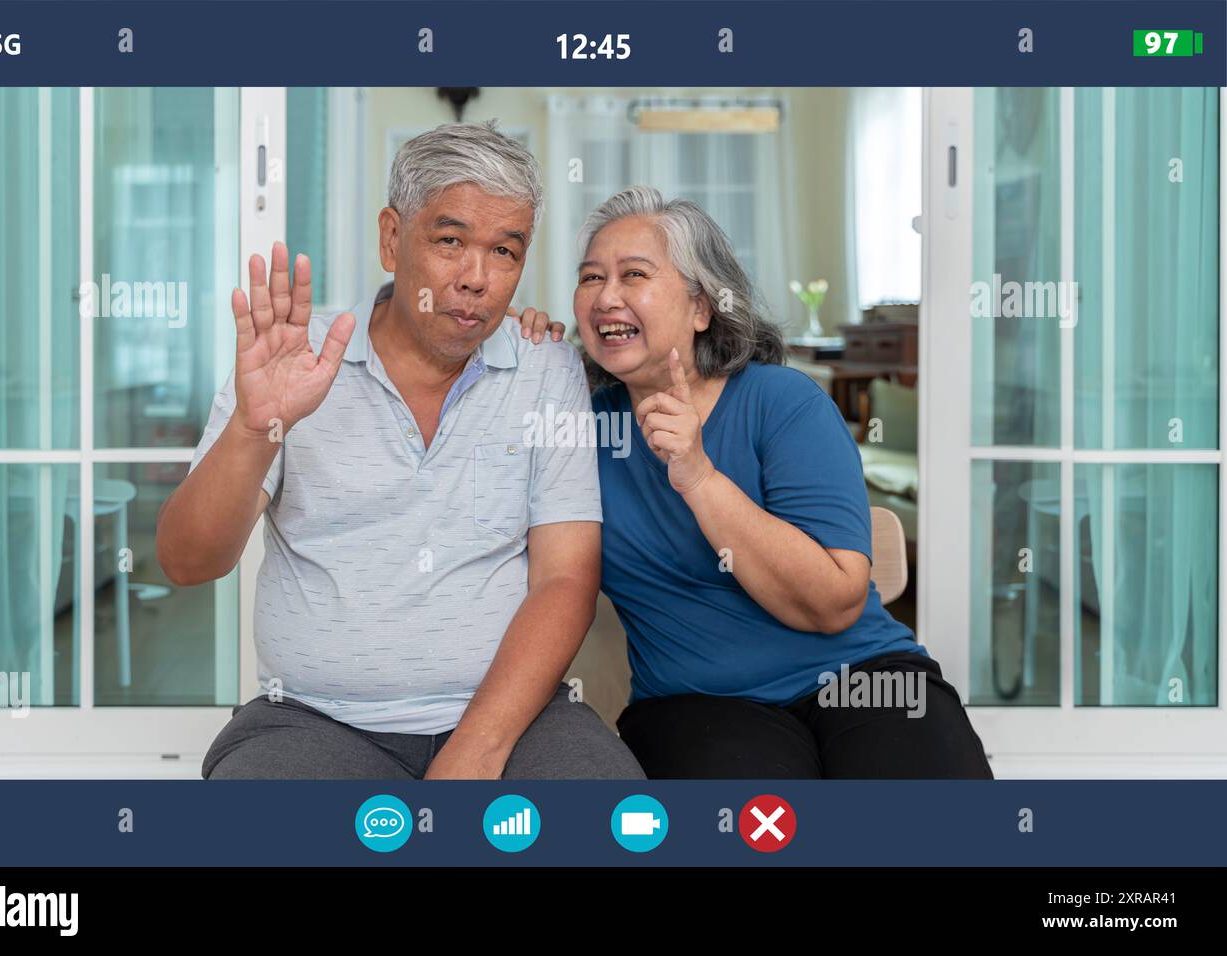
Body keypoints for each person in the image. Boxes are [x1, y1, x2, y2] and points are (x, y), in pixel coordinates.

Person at [156, 121, 643, 781]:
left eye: (506, 251)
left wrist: (477, 748)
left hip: (514, 715)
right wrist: (253, 428)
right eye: (450, 241)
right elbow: (188, 562)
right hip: (313, 718)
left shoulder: (545, 366)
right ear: (391, 237)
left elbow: (565, 579)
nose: (477, 278)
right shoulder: (297, 356)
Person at [560, 185, 992, 779]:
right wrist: (505, 352)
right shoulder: (575, 429)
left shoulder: (783, 403)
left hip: (862, 676)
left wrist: (698, 475)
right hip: (699, 706)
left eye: (634, 274)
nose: (607, 297)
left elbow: (837, 604)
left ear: (701, 308)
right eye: (590, 278)